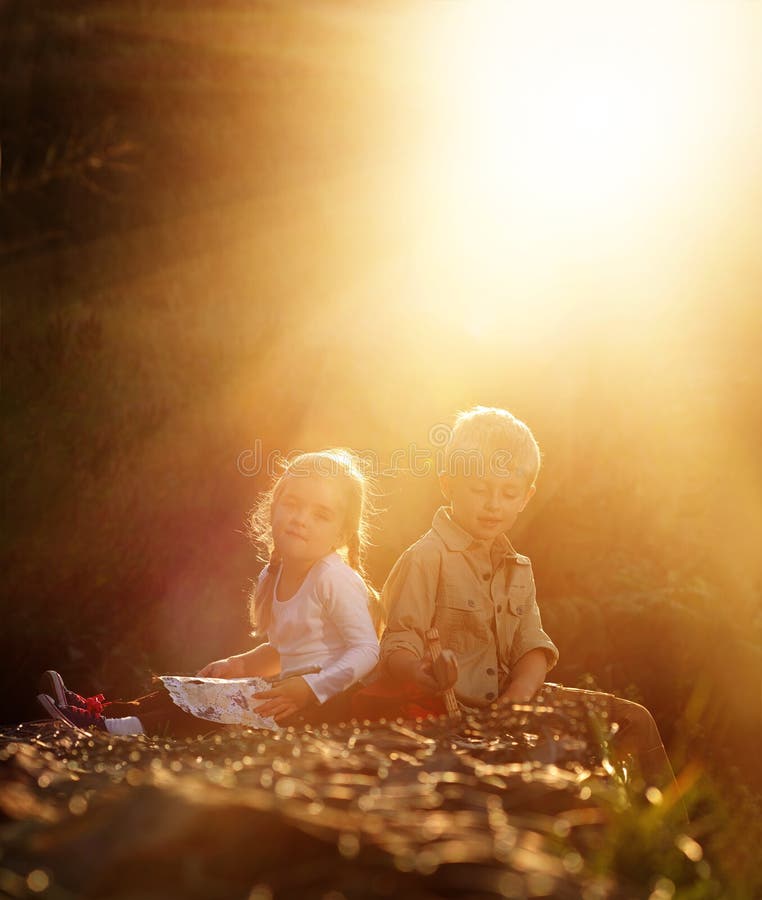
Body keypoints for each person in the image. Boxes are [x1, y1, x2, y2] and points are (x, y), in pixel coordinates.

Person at [364, 406, 679, 795]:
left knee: (633, 719)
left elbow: (532, 646)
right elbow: (397, 643)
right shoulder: (425, 559)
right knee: (548, 780)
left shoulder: (519, 568)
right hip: (454, 712)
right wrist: (423, 671)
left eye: (508, 493)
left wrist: (516, 703)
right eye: (479, 490)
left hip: (514, 703)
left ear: (525, 497)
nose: (493, 504)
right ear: (448, 485)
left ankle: (662, 843)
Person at [37, 449, 381, 736]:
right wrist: (241, 663)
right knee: (192, 691)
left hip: (323, 707)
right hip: (285, 695)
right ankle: (103, 710)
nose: (300, 519)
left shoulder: (334, 578)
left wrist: (311, 689)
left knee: (212, 711)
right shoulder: (272, 574)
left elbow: (366, 650)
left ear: (341, 534)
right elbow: (285, 650)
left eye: (321, 514)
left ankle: (113, 729)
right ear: (273, 507)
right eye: (291, 504)